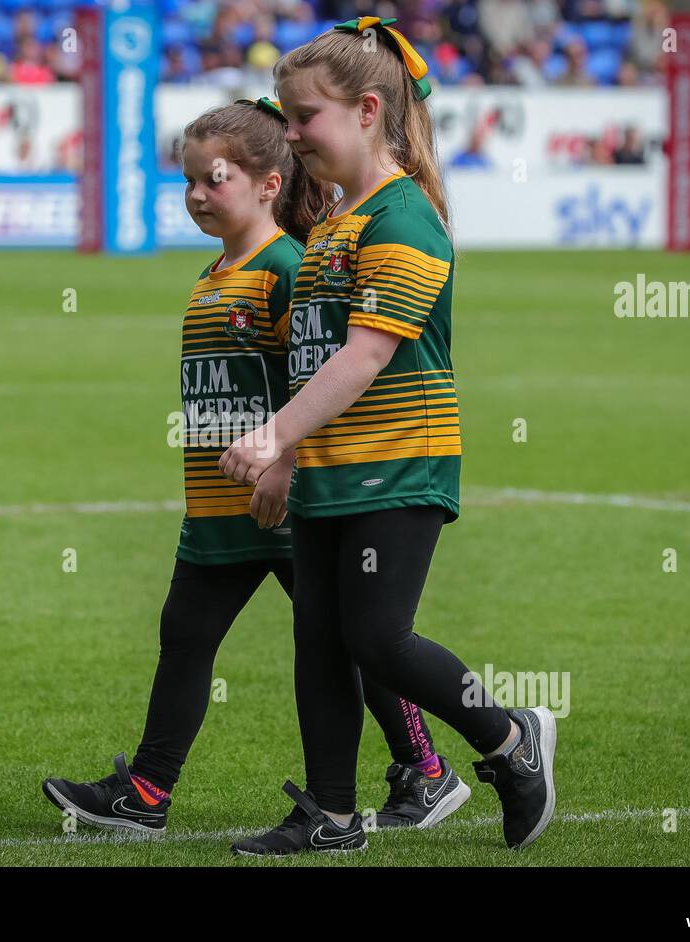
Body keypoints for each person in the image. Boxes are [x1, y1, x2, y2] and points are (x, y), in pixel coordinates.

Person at [42, 98, 471, 837]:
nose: (196, 196)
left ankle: (426, 768)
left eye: (213, 180)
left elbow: (314, 377)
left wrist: (285, 464)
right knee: (186, 635)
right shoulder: (215, 272)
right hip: (216, 505)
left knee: (355, 643)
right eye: (188, 183)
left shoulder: (285, 268)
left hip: (279, 504)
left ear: (269, 184)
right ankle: (147, 792)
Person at [219, 17, 558, 856]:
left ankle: (512, 739)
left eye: (303, 118)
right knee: (320, 644)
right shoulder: (334, 222)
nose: (289, 136)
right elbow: (312, 361)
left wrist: (269, 435)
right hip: (332, 470)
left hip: (399, 465)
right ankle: (331, 814)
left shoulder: (406, 218)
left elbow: (364, 358)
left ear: (367, 110)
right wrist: (290, 456)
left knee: (377, 638)